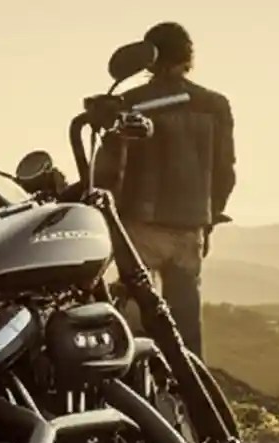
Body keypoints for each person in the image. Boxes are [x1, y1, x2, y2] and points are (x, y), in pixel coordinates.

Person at [95, 21, 236, 360]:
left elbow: (106, 170)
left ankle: (132, 399)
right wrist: (209, 220)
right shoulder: (215, 105)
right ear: (188, 57)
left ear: (149, 58)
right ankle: (191, 404)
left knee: (130, 324)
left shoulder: (128, 103)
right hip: (191, 227)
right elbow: (225, 174)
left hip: (139, 226)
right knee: (186, 331)